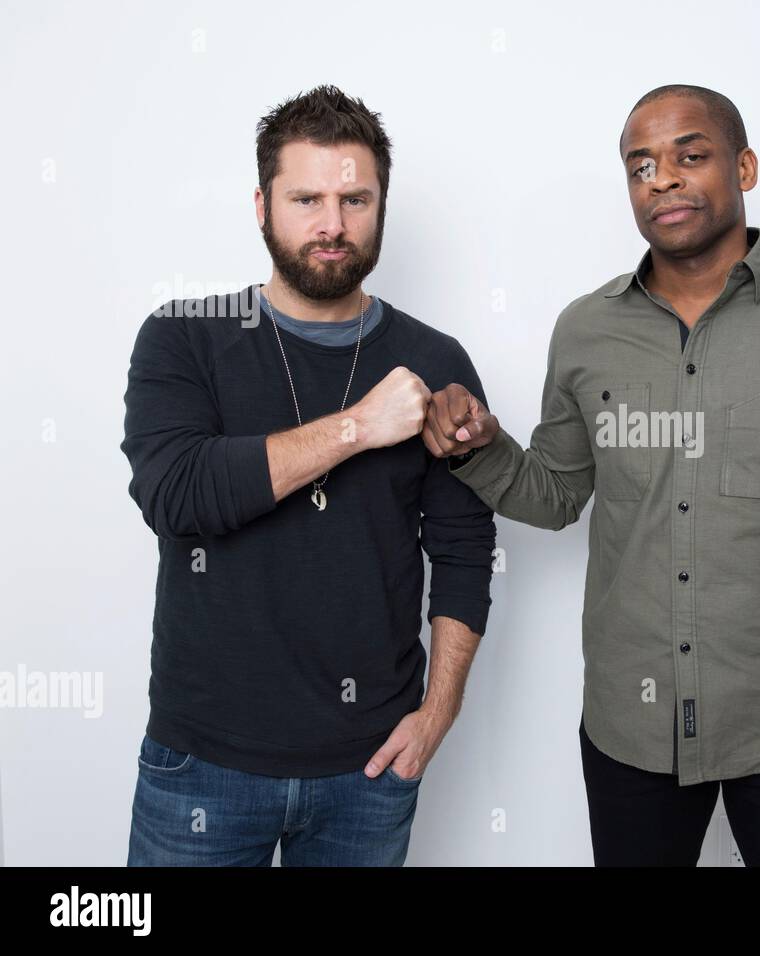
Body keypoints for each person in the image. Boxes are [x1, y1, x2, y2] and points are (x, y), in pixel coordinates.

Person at [424, 84, 760, 865]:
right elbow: (555, 494)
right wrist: (477, 445)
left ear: (744, 166)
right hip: (629, 733)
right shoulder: (585, 331)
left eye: (689, 155)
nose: (662, 178)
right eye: (641, 165)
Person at [121, 85, 495, 866]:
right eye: (307, 199)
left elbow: (464, 550)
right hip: (205, 764)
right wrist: (360, 426)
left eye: (356, 199)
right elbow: (179, 494)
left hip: (369, 771)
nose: (332, 224)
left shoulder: (436, 362)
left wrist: (438, 714)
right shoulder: (183, 339)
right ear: (262, 205)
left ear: (382, 203)